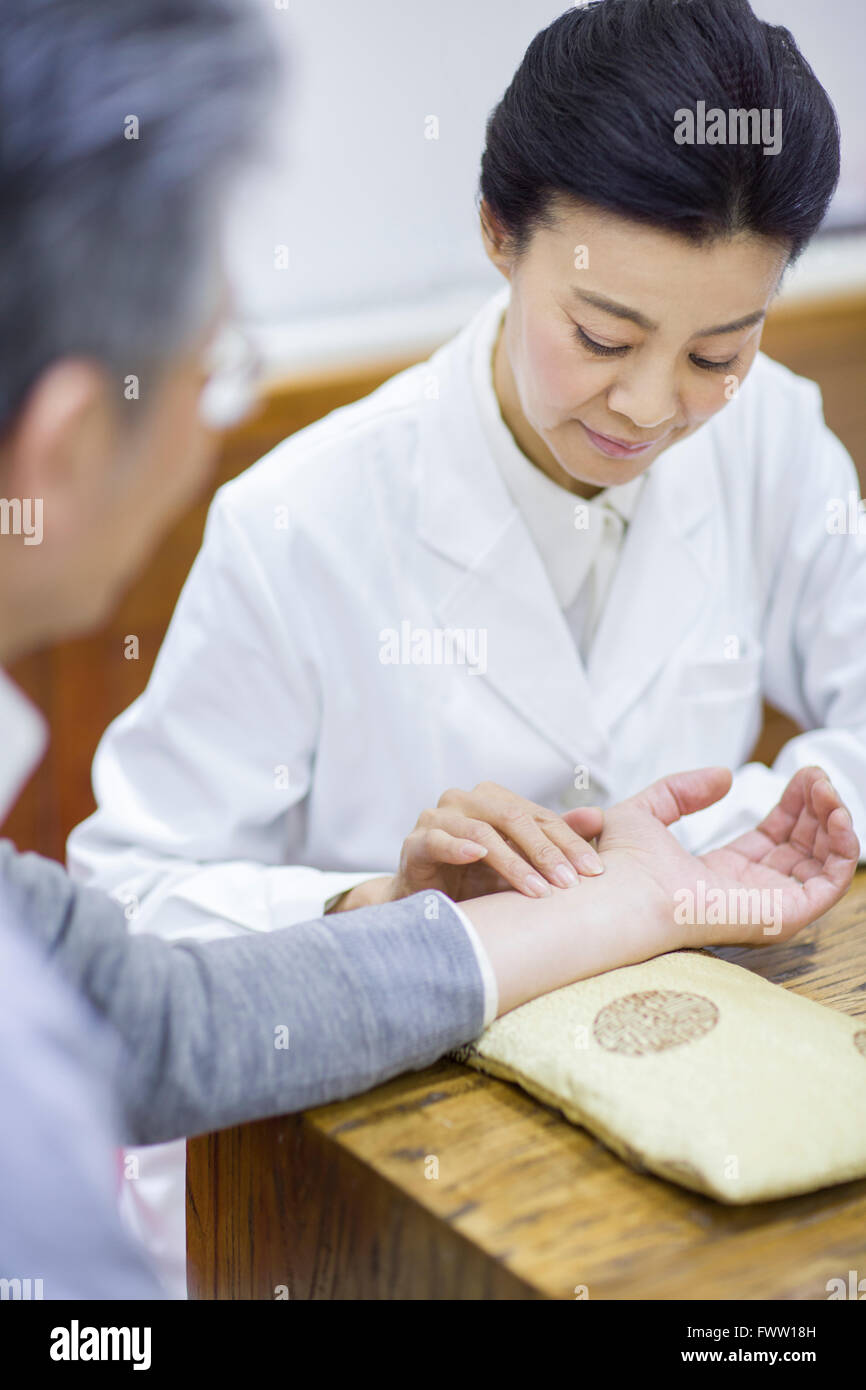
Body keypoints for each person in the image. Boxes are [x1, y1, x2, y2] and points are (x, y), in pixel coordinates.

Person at [4, 0, 856, 1301]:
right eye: (603, 338)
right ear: (496, 234)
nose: (648, 406)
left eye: (714, 353)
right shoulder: (301, 514)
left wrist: (721, 839)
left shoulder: (771, 438)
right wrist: (366, 901)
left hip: (679, 1114)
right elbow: (123, 922)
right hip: (375, 1171)